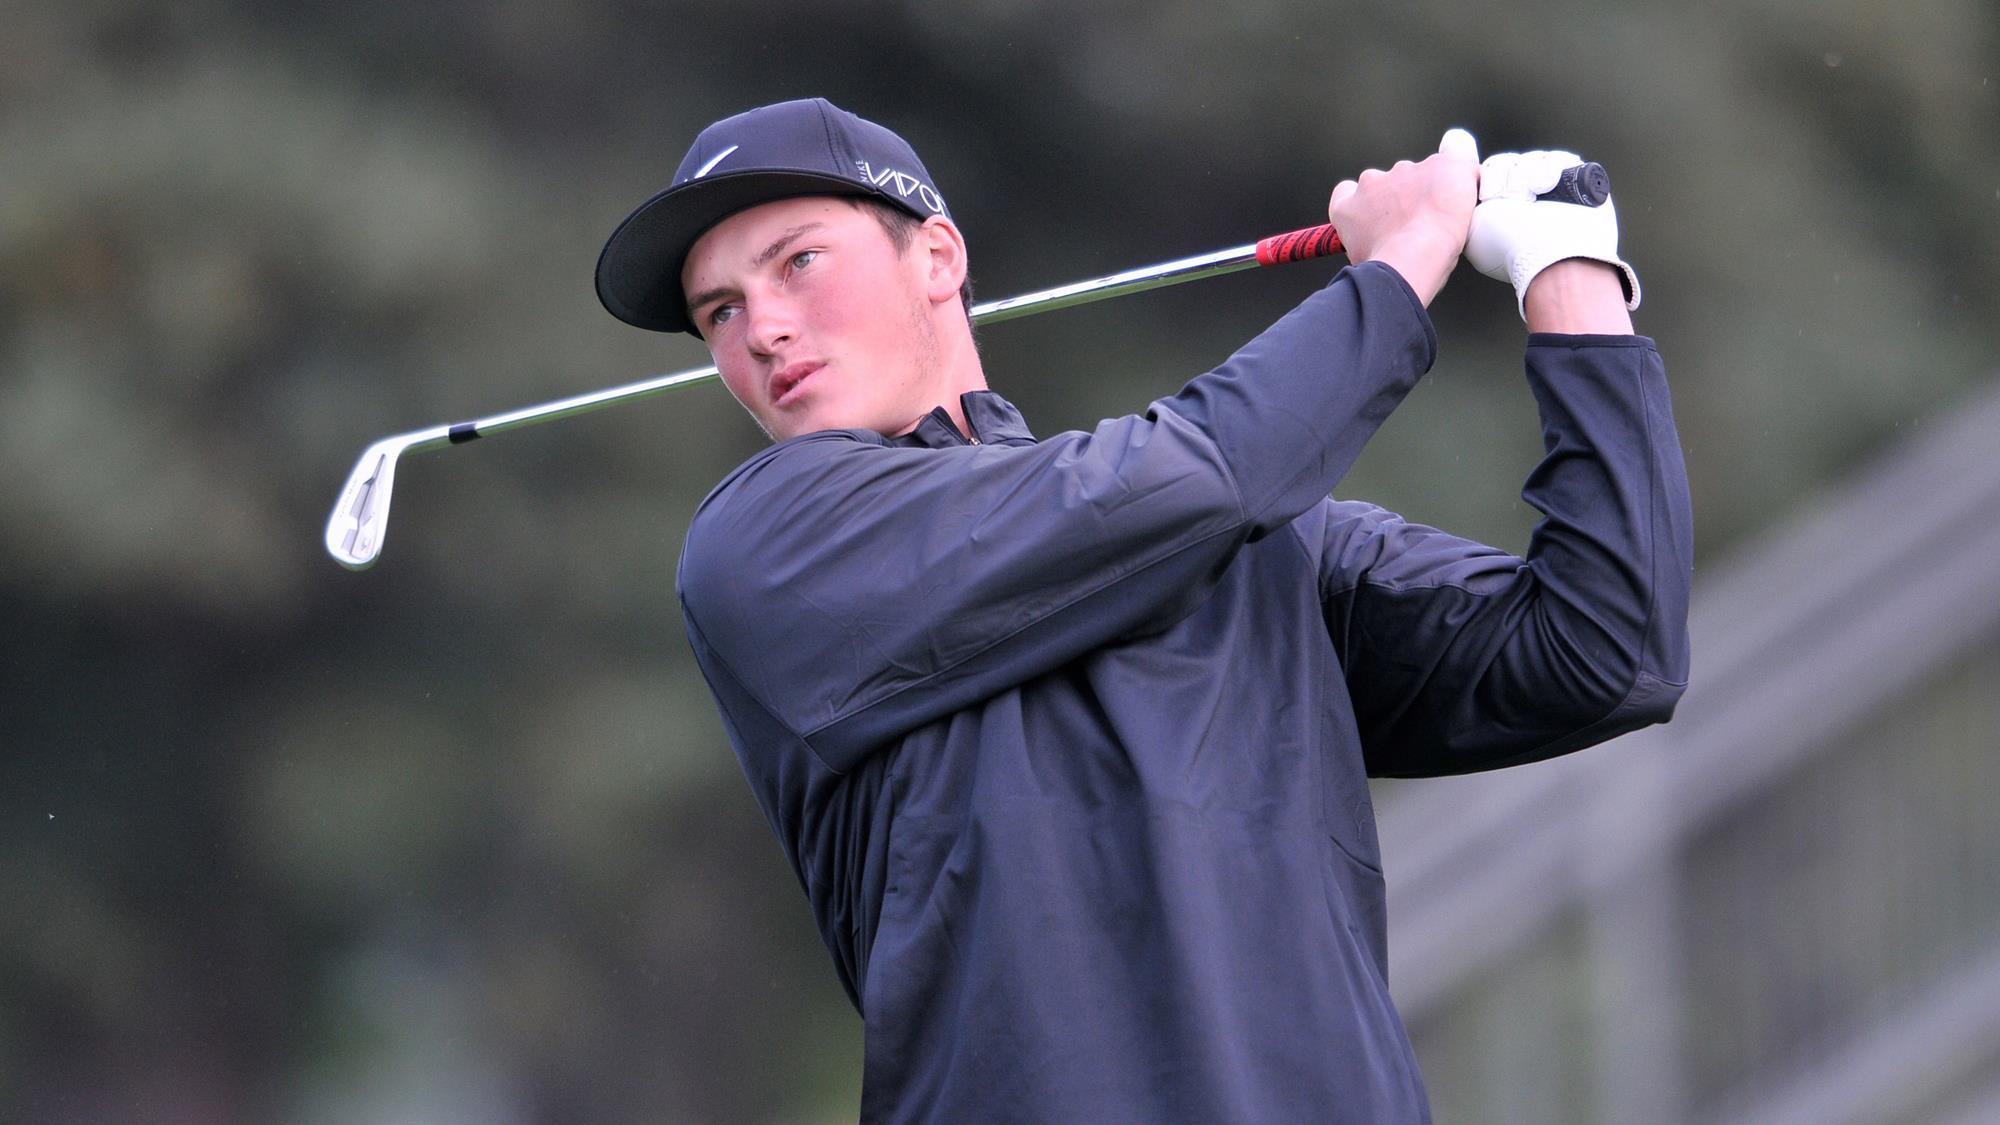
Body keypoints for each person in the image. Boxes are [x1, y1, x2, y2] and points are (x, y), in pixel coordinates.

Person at [596, 97, 1690, 1123]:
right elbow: (1190, 477)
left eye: (796, 263)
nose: (763, 330)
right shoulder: (766, 543)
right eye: (721, 311)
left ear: (936, 257)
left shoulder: (1250, 541)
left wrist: (1567, 273)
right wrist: (1399, 267)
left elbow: (1602, 653)